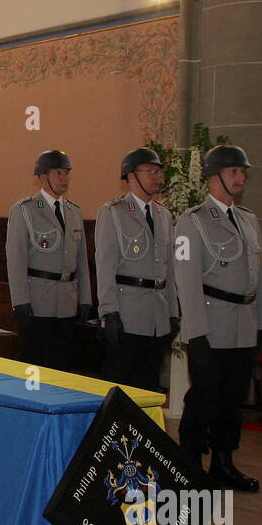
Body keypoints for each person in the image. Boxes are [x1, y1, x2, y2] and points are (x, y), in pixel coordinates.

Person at [173, 145, 262, 493]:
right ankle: (190, 466)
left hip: (243, 325)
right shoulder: (191, 221)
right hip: (211, 326)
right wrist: (196, 333)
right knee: (203, 399)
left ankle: (224, 463)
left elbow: (258, 277)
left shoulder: (248, 219)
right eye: (233, 172)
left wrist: (261, 324)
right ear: (214, 177)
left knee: (232, 401)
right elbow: (186, 279)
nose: (241, 178)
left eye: (243, 172)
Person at [95, 147, 178, 392]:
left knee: (148, 388)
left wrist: (173, 313)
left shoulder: (164, 215)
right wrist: (109, 312)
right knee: (118, 386)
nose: (156, 176)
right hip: (127, 315)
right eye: (149, 171)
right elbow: (105, 266)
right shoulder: (113, 213)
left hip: (157, 317)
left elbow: (169, 269)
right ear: (131, 177)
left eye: (158, 171)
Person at [6, 150, 92, 371]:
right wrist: (20, 302)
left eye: (66, 173)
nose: (64, 178)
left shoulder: (74, 211)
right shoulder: (25, 210)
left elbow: (81, 260)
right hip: (37, 301)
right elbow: (15, 260)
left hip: (67, 303)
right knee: (33, 364)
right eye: (58, 173)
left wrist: (85, 299)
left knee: (61, 366)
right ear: (43, 177)